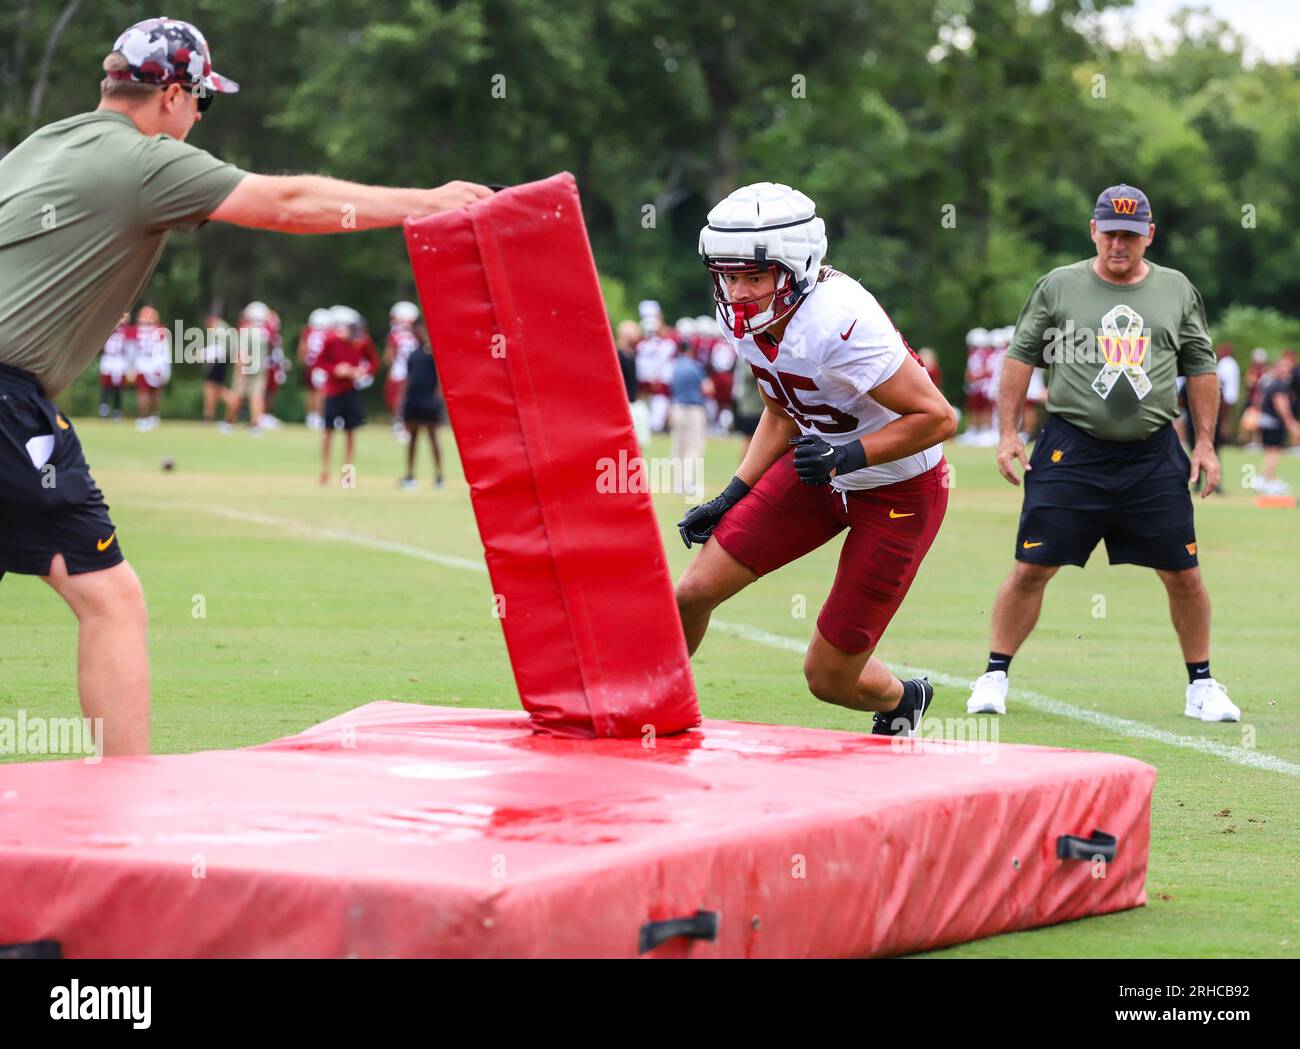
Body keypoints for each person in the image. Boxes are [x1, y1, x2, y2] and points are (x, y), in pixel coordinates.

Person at [0, 16, 490, 755]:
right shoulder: (146, 159)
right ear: (170, 93)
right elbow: (289, 204)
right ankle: (117, 817)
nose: (199, 118)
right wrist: (429, 202)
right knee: (111, 597)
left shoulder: (46, 143)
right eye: (202, 101)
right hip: (7, 398)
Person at [674, 182, 956, 737]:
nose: (738, 292)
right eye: (728, 275)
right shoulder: (747, 320)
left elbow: (938, 417)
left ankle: (904, 699)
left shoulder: (841, 319)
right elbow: (782, 409)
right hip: (817, 469)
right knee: (689, 594)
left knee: (828, 677)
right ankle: (654, 709)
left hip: (897, 491)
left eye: (753, 276)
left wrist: (845, 455)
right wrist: (732, 493)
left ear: (797, 266)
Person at [965, 184, 1238, 722]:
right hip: (1072, 448)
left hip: (1154, 451)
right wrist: (1007, 433)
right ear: (1093, 231)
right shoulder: (1059, 286)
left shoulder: (1176, 289)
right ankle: (994, 674)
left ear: (1148, 235)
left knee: (1184, 573)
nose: (1119, 244)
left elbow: (1200, 367)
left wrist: (1205, 444)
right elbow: (1021, 358)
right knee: (1032, 566)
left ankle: (1201, 685)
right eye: (1110, 233)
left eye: (1131, 235)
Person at [316, 305, 379, 484]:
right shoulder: (330, 340)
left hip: (351, 390)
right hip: (333, 390)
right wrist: (335, 369)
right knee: (328, 431)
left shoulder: (362, 341)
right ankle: (324, 471)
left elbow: (373, 363)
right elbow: (319, 362)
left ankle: (347, 473)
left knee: (350, 432)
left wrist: (361, 371)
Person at [399, 325, 445, 490]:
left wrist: (437, 398)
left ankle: (439, 476)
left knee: (433, 438)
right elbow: (409, 378)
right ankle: (410, 475)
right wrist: (403, 400)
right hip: (414, 401)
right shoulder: (413, 354)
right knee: (413, 438)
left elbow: (440, 378)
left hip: (429, 401)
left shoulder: (434, 354)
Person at [669, 341, 713, 498]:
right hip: (694, 409)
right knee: (694, 447)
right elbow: (708, 388)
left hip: (677, 407)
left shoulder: (675, 366)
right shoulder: (695, 366)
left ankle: (677, 484)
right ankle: (689, 483)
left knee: (678, 447)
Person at [223, 300, 274, 433]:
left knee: (237, 395)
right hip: (260, 368)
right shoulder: (265, 333)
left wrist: (240, 369)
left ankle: (229, 423)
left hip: (246, 368)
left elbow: (243, 353)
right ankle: (256, 426)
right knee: (257, 397)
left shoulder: (246, 331)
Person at [1253, 355, 1298, 495]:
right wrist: (1291, 423)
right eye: (1284, 367)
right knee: (1274, 452)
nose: (1287, 370)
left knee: (1271, 452)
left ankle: (1269, 479)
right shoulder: (1279, 385)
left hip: (1268, 421)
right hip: (1273, 423)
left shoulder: (1272, 382)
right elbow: (1281, 405)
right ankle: (1264, 480)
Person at [383, 300, 420, 442]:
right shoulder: (415, 333)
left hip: (401, 370)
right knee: (402, 400)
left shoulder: (395, 334)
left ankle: (400, 425)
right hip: (411, 371)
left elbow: (389, 356)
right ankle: (402, 425)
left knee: (399, 400)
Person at [130, 304, 170, 431]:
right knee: (144, 392)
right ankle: (146, 416)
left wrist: (166, 367)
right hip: (144, 363)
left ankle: (150, 416)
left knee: (152, 393)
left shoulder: (159, 331)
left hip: (154, 364)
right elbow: (132, 349)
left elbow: (164, 350)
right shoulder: (137, 331)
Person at [298, 307, 332, 430]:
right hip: (321, 365)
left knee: (311, 391)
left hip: (310, 364)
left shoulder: (309, 331)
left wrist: (303, 361)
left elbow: (302, 348)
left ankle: (311, 417)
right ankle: (318, 417)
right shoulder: (328, 332)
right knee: (321, 391)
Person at [98, 313, 132, 419]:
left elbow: (130, 347)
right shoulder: (108, 328)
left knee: (118, 386)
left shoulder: (127, 330)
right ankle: (104, 407)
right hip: (108, 357)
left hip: (120, 359)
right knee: (105, 384)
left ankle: (117, 410)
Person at [200, 312, 233, 422]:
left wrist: (201, 354)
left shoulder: (219, 329)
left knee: (211, 388)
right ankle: (209, 415)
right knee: (214, 389)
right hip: (221, 362)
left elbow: (218, 349)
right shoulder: (224, 327)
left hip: (218, 362)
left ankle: (209, 416)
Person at [1214, 342, 1240, 449]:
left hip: (1224, 396)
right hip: (1231, 396)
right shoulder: (1232, 363)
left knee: (1223, 420)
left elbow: (1221, 380)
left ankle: (1223, 439)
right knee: (1227, 419)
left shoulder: (1225, 362)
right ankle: (1227, 438)